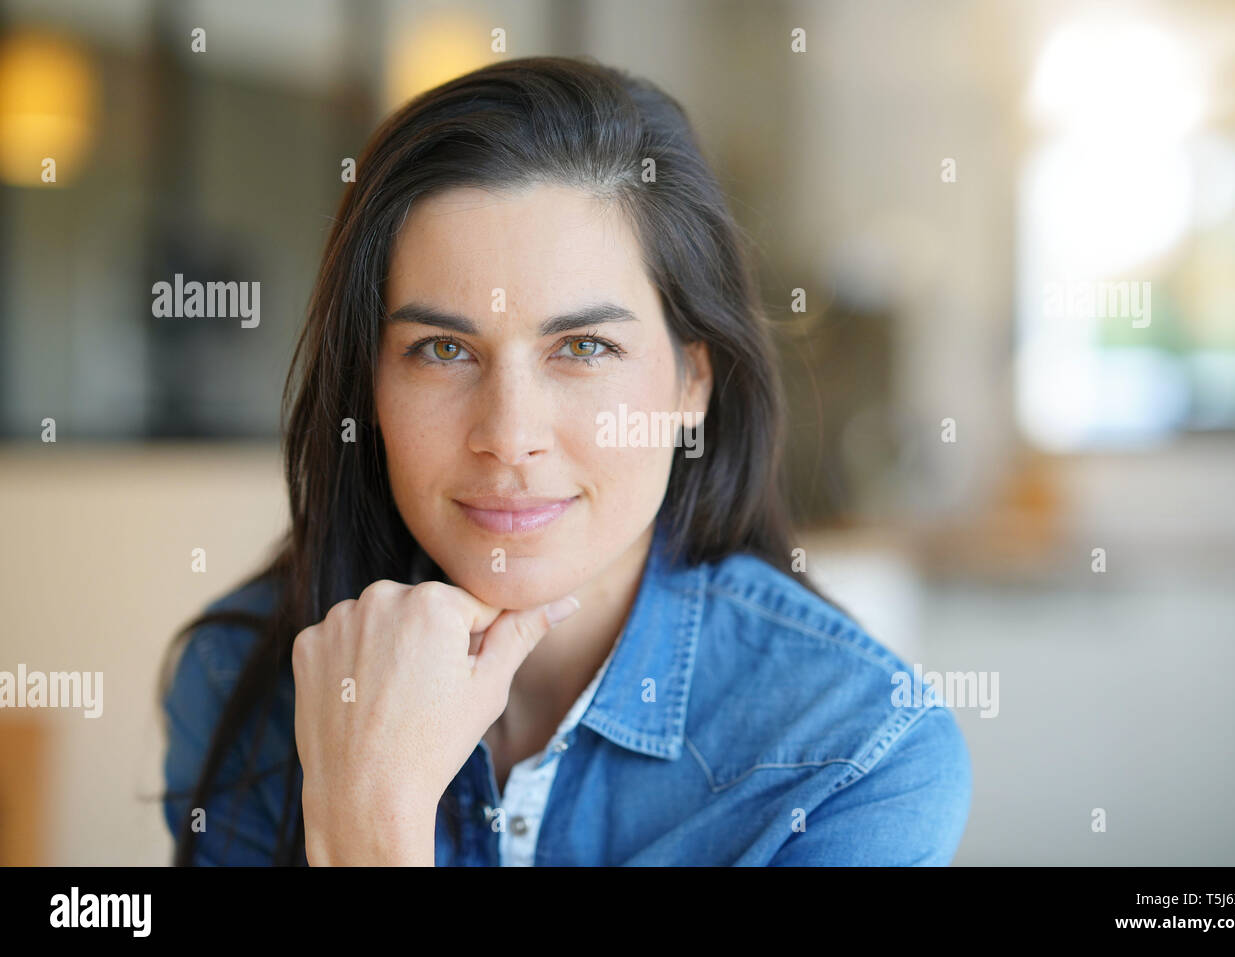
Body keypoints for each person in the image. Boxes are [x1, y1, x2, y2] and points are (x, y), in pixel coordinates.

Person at [159, 55, 971, 866]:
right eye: (442, 349)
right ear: (366, 385)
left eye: (583, 347)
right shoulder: (246, 678)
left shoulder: (858, 757)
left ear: (692, 382)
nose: (509, 436)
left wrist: (368, 827)